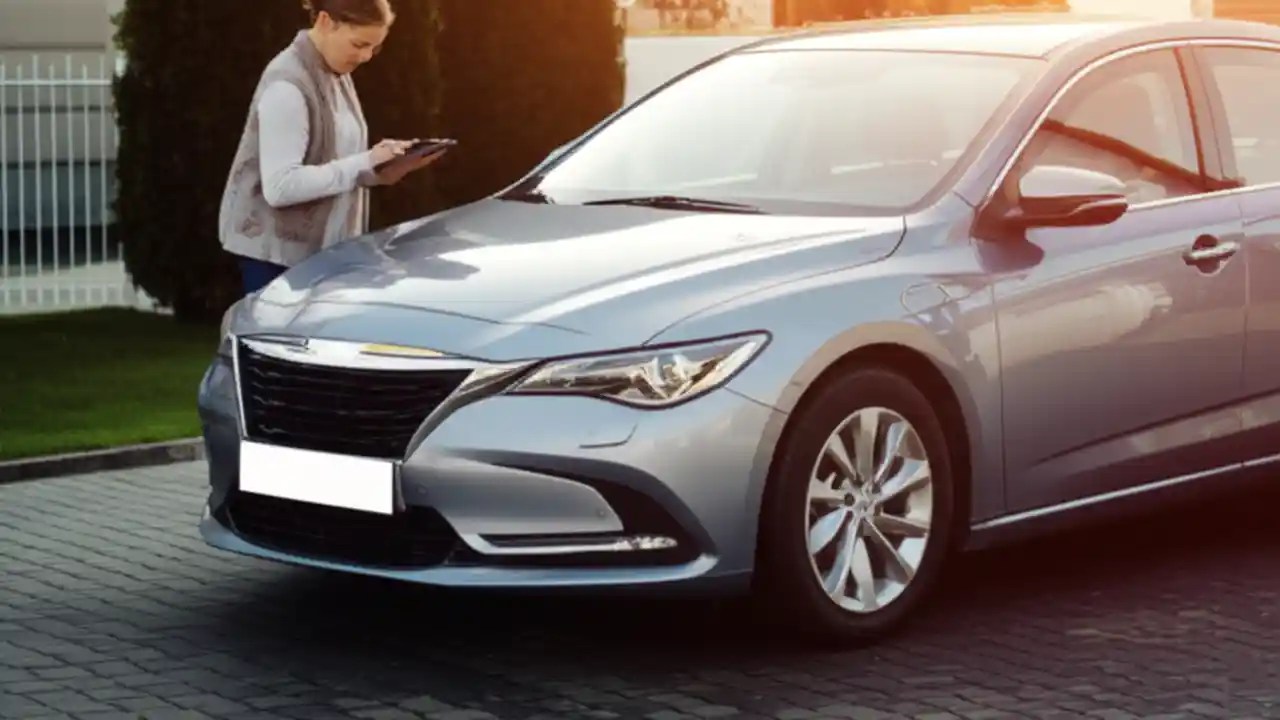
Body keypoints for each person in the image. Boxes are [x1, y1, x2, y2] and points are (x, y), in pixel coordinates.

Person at [218, 0, 439, 296]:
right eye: (359, 44)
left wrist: (379, 168)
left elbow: (335, 164)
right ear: (325, 21)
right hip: (278, 262)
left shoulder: (334, 72)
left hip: (321, 256)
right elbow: (280, 187)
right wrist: (363, 162)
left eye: (375, 47)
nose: (366, 56)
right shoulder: (288, 85)